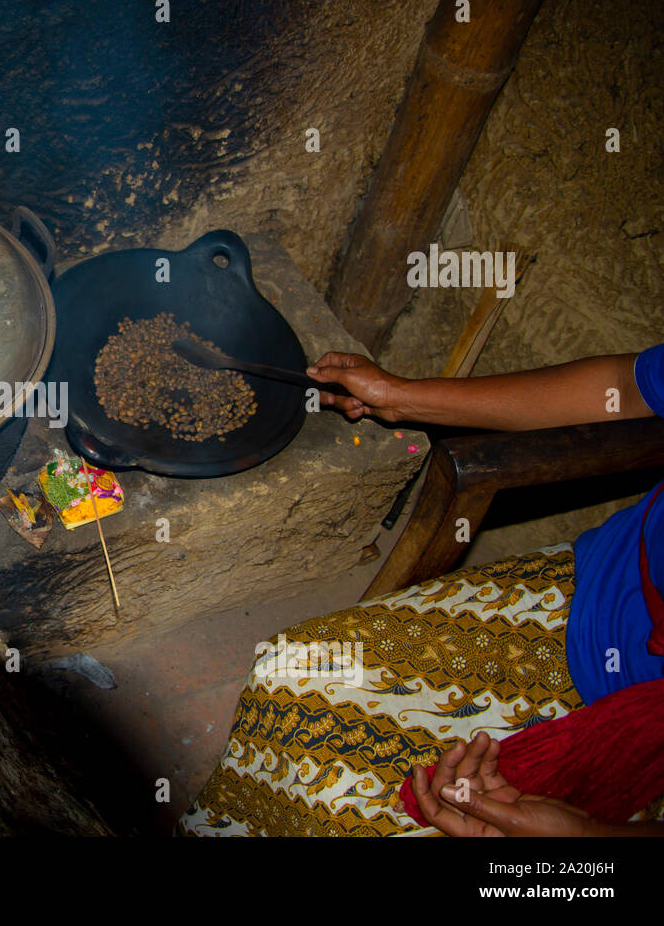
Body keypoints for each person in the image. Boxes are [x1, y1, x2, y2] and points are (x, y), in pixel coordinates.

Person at [178, 346, 664, 836]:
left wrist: (591, 838)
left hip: (638, 742)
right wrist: (398, 396)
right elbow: (623, 388)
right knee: (290, 673)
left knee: (356, 814)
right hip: (596, 589)